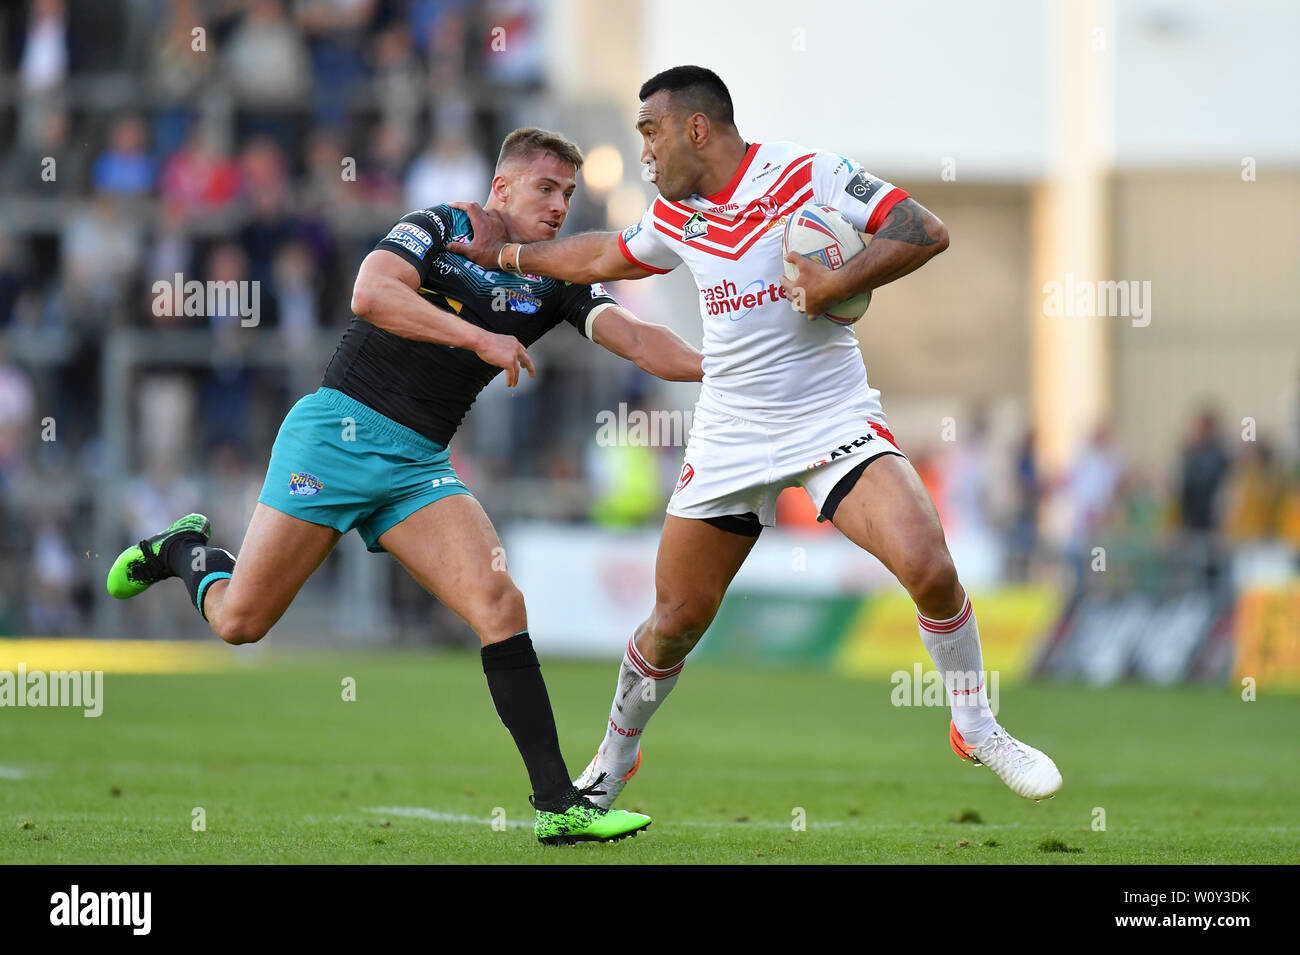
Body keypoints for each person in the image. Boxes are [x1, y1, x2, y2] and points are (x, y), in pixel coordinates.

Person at [448, 67, 1063, 807]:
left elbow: (923, 231)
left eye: (651, 132)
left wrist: (835, 284)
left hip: (830, 418)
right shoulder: (677, 215)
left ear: (696, 129)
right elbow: (607, 255)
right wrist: (510, 256)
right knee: (675, 621)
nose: (644, 151)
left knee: (929, 561)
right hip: (731, 429)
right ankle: (614, 757)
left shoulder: (810, 174)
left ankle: (977, 724)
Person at [106, 127, 705, 845]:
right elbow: (370, 292)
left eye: (569, 195)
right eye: (546, 189)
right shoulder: (442, 225)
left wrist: (726, 366)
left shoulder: (556, 276)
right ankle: (184, 549)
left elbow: (638, 341)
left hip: (419, 464)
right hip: (337, 434)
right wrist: (478, 339)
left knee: (498, 601)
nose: (558, 207)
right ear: (502, 188)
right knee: (241, 622)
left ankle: (559, 803)